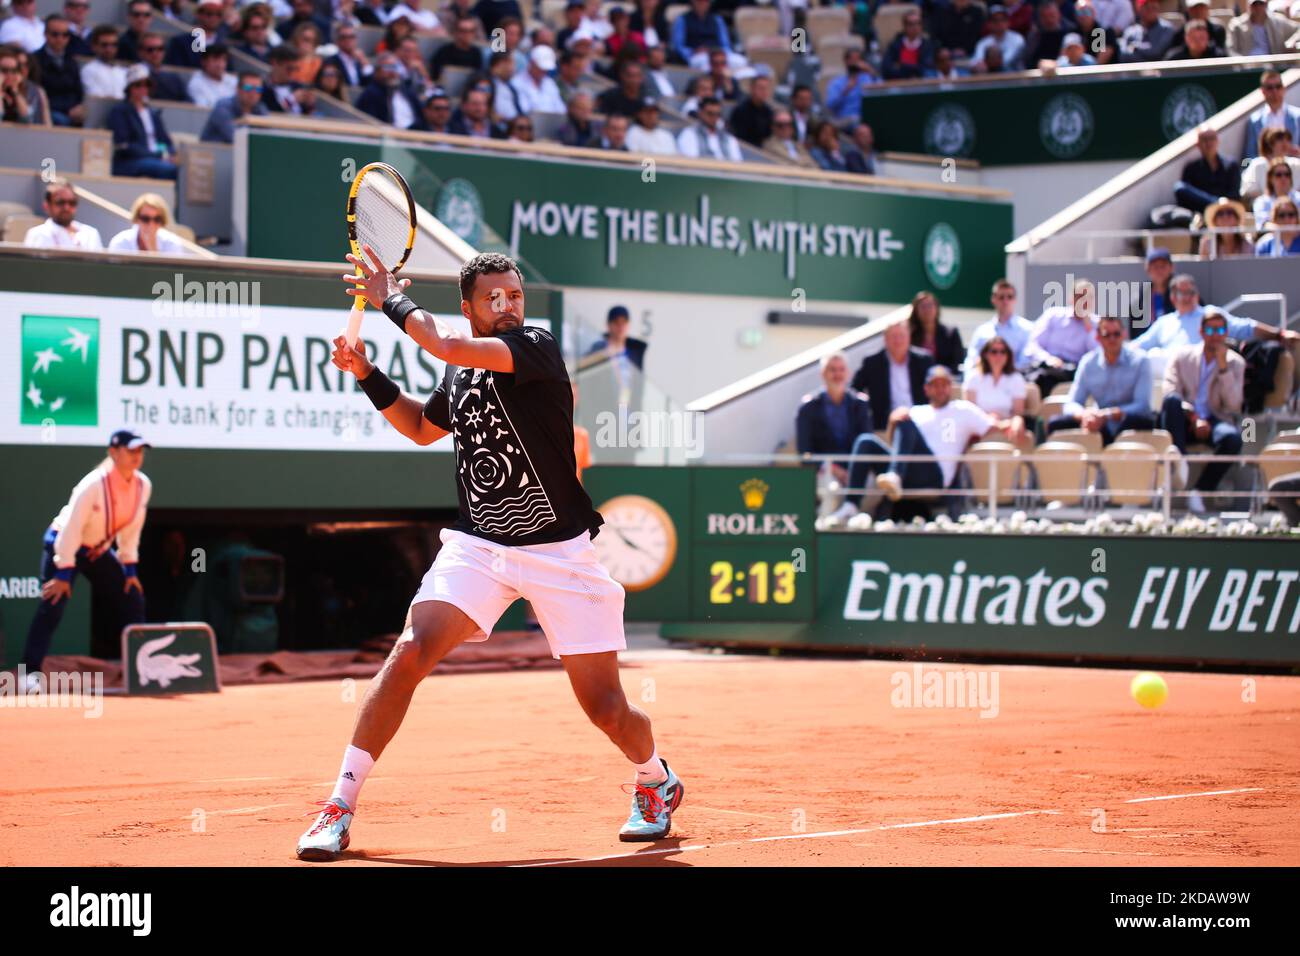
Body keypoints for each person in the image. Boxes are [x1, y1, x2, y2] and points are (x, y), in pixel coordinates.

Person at [296, 251, 683, 859]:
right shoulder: (462, 372)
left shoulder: (536, 346)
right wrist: (369, 375)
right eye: (493, 300)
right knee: (409, 653)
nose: (507, 308)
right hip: (480, 546)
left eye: (515, 296)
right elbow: (422, 429)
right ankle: (338, 806)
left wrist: (388, 295)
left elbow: (445, 344)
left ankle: (655, 778)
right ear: (469, 307)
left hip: (561, 553)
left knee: (608, 710)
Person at [19, 431, 152, 689]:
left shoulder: (143, 485)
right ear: (114, 453)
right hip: (64, 545)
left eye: (141, 451)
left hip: (96, 550)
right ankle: (29, 674)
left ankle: (140, 671)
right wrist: (63, 574)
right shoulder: (92, 485)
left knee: (132, 598)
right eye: (131, 450)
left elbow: (132, 531)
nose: (137, 456)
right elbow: (71, 529)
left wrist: (130, 569)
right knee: (53, 604)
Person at [839, 365, 1022, 518]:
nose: (941, 389)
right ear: (926, 389)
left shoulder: (963, 410)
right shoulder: (916, 411)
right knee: (865, 442)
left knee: (906, 423)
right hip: (907, 473)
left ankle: (895, 476)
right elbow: (896, 442)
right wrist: (892, 421)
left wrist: (1017, 420)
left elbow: (996, 426)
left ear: (951, 387)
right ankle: (851, 505)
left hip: (934, 477)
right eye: (935, 385)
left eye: (945, 384)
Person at [1159, 309, 1244, 512]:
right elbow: (1169, 391)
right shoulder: (1182, 356)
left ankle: (1200, 491)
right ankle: (1181, 464)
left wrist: (1223, 369)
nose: (1215, 334)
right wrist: (1193, 416)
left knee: (1234, 439)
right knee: (1171, 402)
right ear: (1201, 331)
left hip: (1215, 420)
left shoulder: (1235, 363)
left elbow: (1234, 405)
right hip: (1182, 419)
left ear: (1226, 333)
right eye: (1210, 329)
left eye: (1221, 329)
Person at [1047, 316, 1156, 443]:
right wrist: (1085, 415)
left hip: (1128, 422)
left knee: (1141, 421)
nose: (1112, 339)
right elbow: (1071, 404)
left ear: (1124, 334)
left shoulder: (1140, 360)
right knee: (1055, 424)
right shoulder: (1088, 363)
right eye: (1106, 335)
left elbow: (1142, 406)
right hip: (1098, 423)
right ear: (1097, 337)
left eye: (1116, 334)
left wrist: (1110, 414)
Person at [1136, 273, 1297, 352]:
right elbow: (1140, 345)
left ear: (1197, 295)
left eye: (1191, 292)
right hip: (1172, 379)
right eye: (1181, 293)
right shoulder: (1164, 322)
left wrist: (1279, 334)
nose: (1187, 297)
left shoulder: (1211, 314)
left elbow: (1245, 327)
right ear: (1172, 298)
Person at [797, 351, 874, 502]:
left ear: (848, 373)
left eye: (841, 369)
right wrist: (833, 469)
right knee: (832, 491)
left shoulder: (860, 404)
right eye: (832, 370)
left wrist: (853, 471)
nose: (837, 374)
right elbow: (805, 453)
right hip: (825, 472)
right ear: (823, 374)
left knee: (873, 487)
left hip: (856, 469)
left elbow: (867, 442)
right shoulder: (808, 407)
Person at [851, 320, 934, 428]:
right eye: (894, 336)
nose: (898, 340)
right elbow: (853, 389)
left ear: (909, 337)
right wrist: (862, 399)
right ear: (885, 339)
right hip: (885, 424)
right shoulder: (872, 362)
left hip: (921, 421)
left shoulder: (924, 360)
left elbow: (935, 386)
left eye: (901, 336)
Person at [1025, 279, 1099, 394]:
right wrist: (1048, 359)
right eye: (1079, 296)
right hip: (1046, 365)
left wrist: (1088, 327)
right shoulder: (1053, 315)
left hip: (1073, 372)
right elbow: (1033, 344)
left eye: (1088, 297)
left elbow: (1098, 356)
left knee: (1045, 379)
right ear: (1071, 298)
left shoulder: (1097, 324)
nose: (1083, 301)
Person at [108, 63, 179, 180]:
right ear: (129, 87)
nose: (143, 88)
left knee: (185, 167)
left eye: (147, 85)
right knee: (168, 169)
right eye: (138, 85)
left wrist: (170, 153)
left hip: (155, 159)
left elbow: (165, 141)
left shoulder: (152, 113)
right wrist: (157, 155)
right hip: (130, 161)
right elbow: (124, 146)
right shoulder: (120, 111)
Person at [964, 279, 1035, 374]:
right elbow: (971, 360)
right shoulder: (982, 331)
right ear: (993, 299)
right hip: (985, 382)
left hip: (1016, 381)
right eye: (1001, 297)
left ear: (1015, 300)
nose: (1005, 301)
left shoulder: (1027, 329)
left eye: (1009, 297)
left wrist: (1004, 376)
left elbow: (1026, 361)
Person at [1175, 126, 1240, 214]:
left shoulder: (1231, 165)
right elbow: (1183, 195)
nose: (1209, 143)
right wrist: (1215, 202)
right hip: (1201, 212)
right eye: (1204, 139)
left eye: (1212, 138)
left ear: (1218, 141)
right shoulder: (1191, 168)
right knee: (1179, 186)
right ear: (1198, 144)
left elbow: (1234, 195)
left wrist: (1222, 205)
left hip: (1225, 213)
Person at [23, 177, 102, 249]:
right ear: (46, 206)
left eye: (72, 203)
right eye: (60, 202)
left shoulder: (90, 234)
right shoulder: (38, 234)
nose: (66, 207)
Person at [36, 13, 85, 126]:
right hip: (47, 113)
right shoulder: (35, 60)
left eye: (65, 35)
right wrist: (67, 110)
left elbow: (78, 92)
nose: (60, 39)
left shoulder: (71, 61)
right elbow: (37, 94)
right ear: (45, 34)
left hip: (71, 113)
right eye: (55, 34)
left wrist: (78, 107)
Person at [964, 335, 1028, 422]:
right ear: (986, 355)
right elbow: (969, 412)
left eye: (1003, 352)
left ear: (1008, 355)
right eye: (994, 352)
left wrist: (1000, 422)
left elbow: (1017, 414)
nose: (999, 355)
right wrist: (989, 420)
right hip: (978, 426)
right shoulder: (973, 377)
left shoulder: (1016, 379)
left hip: (1007, 427)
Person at [355, 53, 425, 128]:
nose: (392, 72)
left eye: (395, 67)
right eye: (387, 68)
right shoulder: (370, 95)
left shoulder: (408, 92)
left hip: (416, 135)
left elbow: (422, 117)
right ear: (376, 71)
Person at [107, 192, 191, 254]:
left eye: (157, 219)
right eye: (145, 219)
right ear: (136, 219)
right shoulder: (120, 242)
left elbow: (175, 276)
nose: (151, 224)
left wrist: (153, 250)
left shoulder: (172, 243)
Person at [1242, 70, 1300, 160]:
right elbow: (1246, 160)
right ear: (1262, 91)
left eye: (1278, 86)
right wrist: (1254, 168)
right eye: (1270, 88)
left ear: (1283, 89)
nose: (1275, 91)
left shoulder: (1298, 117)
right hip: (1264, 172)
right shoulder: (1254, 120)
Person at [201, 70, 268, 142]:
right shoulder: (223, 107)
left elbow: (269, 137)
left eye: (258, 89)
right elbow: (236, 139)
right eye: (248, 88)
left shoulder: (261, 109)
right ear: (238, 89)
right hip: (215, 152)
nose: (253, 93)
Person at [906, 291, 963, 373]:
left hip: (944, 381)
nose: (927, 310)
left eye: (930, 305)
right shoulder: (909, 334)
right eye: (923, 306)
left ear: (937, 308)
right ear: (916, 311)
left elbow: (957, 361)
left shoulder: (951, 333)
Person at [1242, 128, 1300, 202]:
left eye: (1288, 139)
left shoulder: (1296, 164)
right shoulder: (1257, 164)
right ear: (1270, 143)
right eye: (1280, 139)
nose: (1285, 143)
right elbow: (1247, 192)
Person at [166, 0, 227, 69]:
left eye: (218, 15)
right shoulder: (180, 42)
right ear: (198, 15)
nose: (214, 18)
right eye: (209, 14)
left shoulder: (223, 45)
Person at [677, 95, 742, 160]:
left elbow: (737, 162)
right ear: (700, 113)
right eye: (710, 114)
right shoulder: (689, 135)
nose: (714, 118)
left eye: (717, 114)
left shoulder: (728, 139)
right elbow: (690, 161)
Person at [511, 44, 565, 115]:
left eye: (546, 68)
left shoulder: (549, 83)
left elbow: (561, 109)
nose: (544, 71)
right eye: (541, 67)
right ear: (532, 63)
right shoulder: (517, 82)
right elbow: (524, 111)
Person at [135, 31, 189, 102]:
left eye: (160, 49)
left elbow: (188, 101)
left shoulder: (174, 78)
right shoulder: (136, 77)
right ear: (140, 52)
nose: (155, 53)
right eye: (150, 50)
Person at [1226, 0, 1293, 57]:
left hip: (1274, 66)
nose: (1258, 8)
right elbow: (1230, 49)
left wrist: (1291, 42)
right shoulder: (1237, 25)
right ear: (1249, 6)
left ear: (1266, 4)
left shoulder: (1277, 22)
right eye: (1254, 4)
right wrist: (1241, 63)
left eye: (1260, 4)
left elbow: (1298, 29)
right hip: (1248, 67)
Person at [882, 9, 935, 79]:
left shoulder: (927, 45)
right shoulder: (895, 45)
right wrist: (914, 68)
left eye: (918, 23)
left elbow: (925, 69)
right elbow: (886, 68)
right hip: (898, 83)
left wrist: (901, 65)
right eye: (911, 24)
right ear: (904, 26)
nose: (915, 27)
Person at [727, 69, 774, 148]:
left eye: (766, 88)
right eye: (760, 88)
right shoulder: (741, 110)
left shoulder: (768, 112)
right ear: (752, 89)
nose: (763, 91)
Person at [971, 6, 1026, 73]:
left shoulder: (1017, 39)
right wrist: (978, 65)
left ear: (1008, 22)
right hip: (990, 79)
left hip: (1015, 79)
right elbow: (975, 62)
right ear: (989, 24)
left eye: (1003, 19)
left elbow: (1006, 61)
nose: (999, 23)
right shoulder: (983, 42)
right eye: (995, 20)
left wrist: (990, 60)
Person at [81, 25, 127, 99]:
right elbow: (96, 97)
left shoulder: (123, 72)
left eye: (113, 45)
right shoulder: (88, 70)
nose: (109, 49)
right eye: (104, 45)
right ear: (94, 46)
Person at [186, 43, 237, 108]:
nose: (220, 65)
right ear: (204, 62)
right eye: (215, 60)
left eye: (223, 60)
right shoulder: (196, 84)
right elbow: (204, 111)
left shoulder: (233, 80)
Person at [1252, 158, 1300, 224]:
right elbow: (1264, 225)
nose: (1283, 178)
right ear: (1270, 179)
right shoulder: (1261, 202)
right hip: (1272, 234)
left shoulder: (1299, 198)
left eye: (1287, 174)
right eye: (1278, 175)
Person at [324, 22, 371, 87]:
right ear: (337, 40)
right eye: (343, 37)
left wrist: (365, 64)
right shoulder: (331, 62)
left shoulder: (360, 61)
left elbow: (370, 84)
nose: (348, 40)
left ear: (356, 39)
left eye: (351, 37)